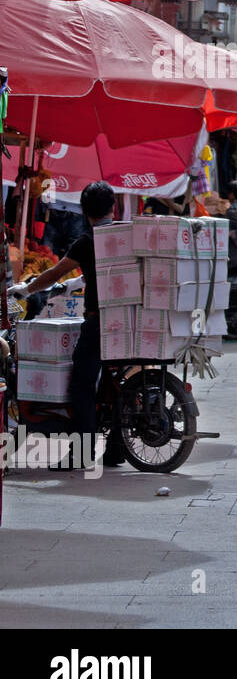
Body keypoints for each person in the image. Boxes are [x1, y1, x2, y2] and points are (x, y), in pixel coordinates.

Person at [9, 181, 122, 468]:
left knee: (82, 385)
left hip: (99, 322)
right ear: (114, 207)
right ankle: (117, 449)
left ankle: (82, 454)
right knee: (117, 384)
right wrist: (81, 281)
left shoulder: (87, 241)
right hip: (131, 322)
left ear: (84, 211)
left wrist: (28, 289)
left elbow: (55, 272)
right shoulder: (125, 236)